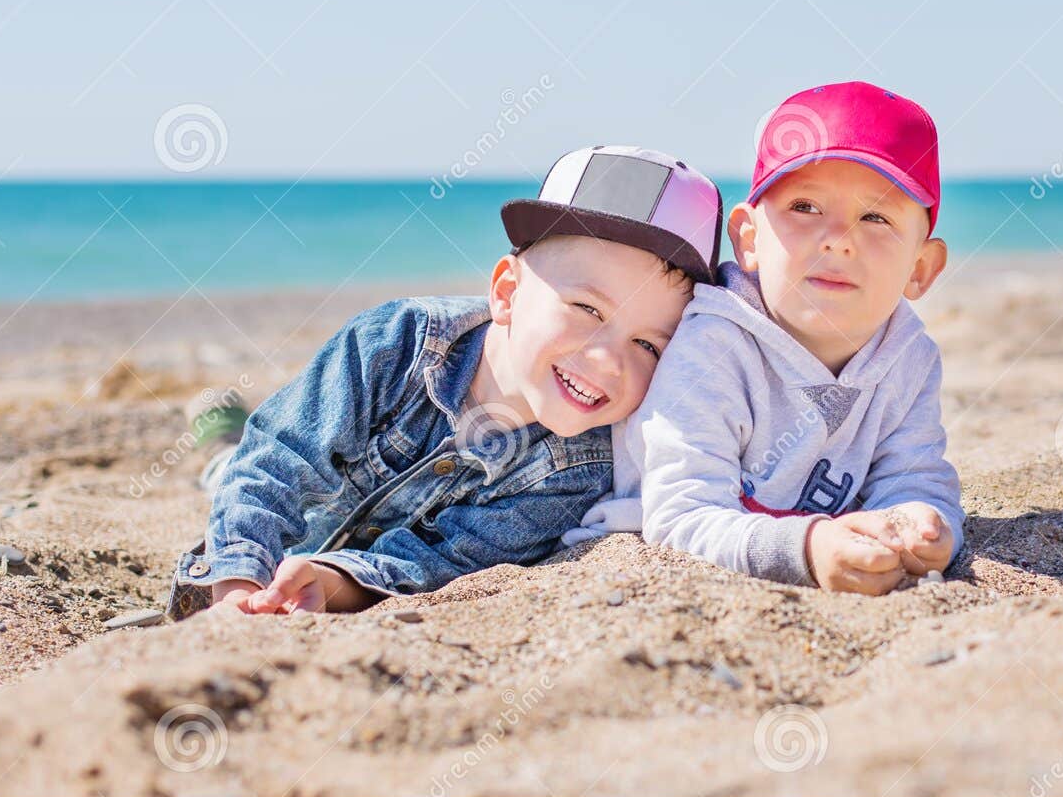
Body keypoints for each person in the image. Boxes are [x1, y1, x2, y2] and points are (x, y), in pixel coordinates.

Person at [164, 145, 723, 618]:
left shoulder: (582, 472)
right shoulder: (396, 343)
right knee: (230, 470)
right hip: (297, 511)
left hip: (338, 561)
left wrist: (330, 585)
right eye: (586, 308)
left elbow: (440, 562)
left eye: (648, 344)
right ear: (506, 293)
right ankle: (220, 434)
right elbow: (279, 459)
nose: (607, 359)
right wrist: (236, 591)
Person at [617, 82, 962, 595]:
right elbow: (681, 516)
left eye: (875, 217)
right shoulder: (716, 345)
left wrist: (922, 523)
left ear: (920, 267)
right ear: (749, 239)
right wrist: (807, 549)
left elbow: (914, 474)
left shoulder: (907, 357)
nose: (838, 238)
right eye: (805, 207)